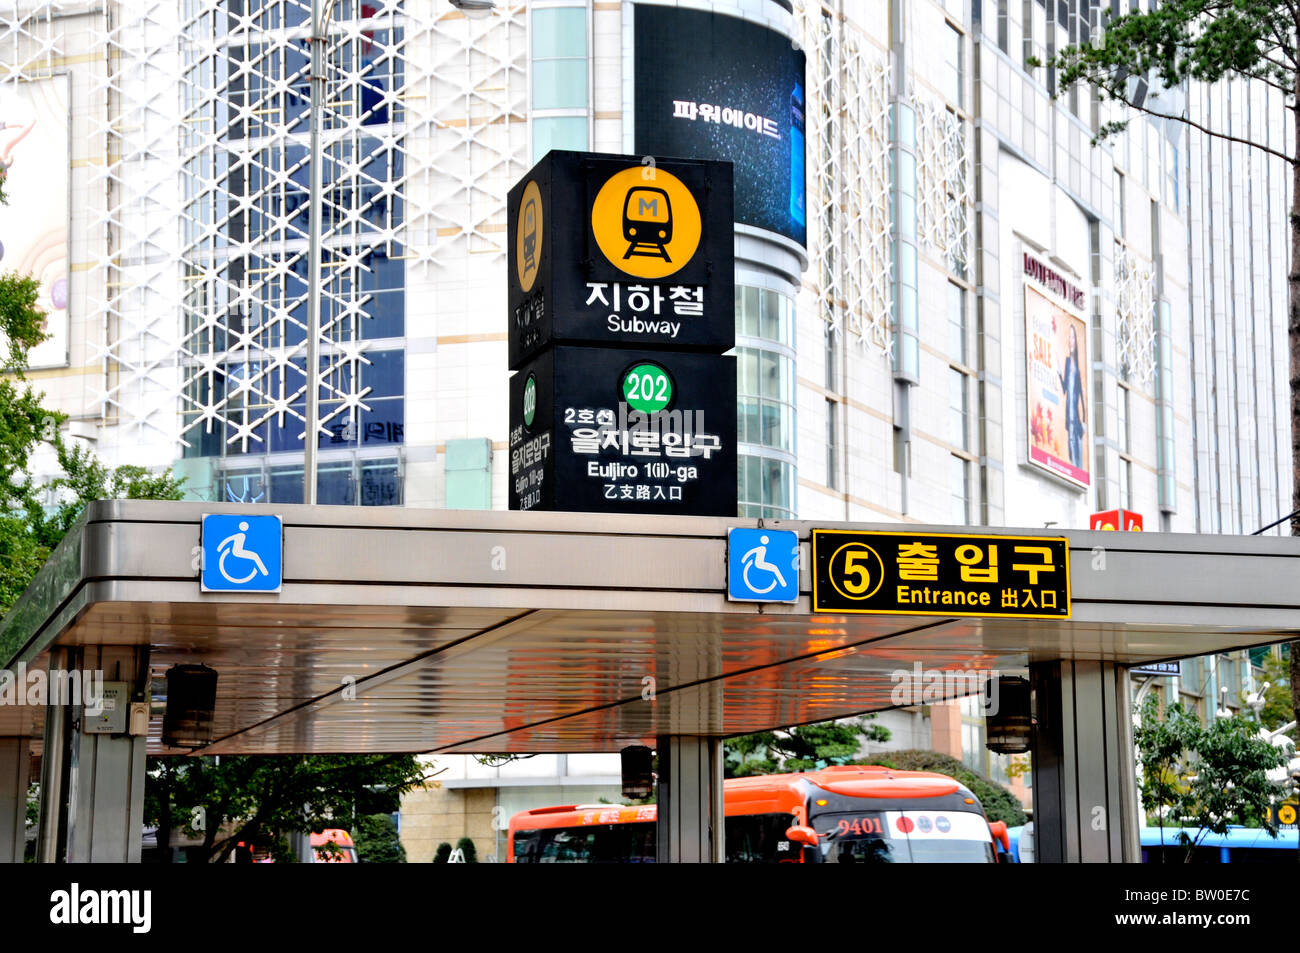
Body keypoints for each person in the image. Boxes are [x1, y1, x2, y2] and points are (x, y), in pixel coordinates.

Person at [1056, 324, 1086, 469]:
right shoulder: (1068, 362)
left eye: (1073, 336)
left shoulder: (1079, 367)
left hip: (1077, 420)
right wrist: (1059, 371)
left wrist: (1085, 419)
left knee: (1079, 455)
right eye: (1070, 336)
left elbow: (1081, 396)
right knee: (1072, 454)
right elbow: (1064, 389)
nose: (1071, 339)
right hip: (1070, 418)